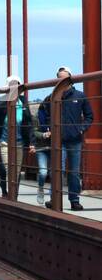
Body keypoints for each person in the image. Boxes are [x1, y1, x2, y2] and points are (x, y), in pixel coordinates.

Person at [40, 66, 94, 211]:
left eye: (64, 77)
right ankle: (54, 199)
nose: (61, 80)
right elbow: (42, 113)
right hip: (58, 141)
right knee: (57, 170)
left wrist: (81, 129)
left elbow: (89, 116)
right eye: (59, 77)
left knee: (74, 172)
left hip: (75, 140)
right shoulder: (51, 98)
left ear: (70, 79)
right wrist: (46, 128)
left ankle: (74, 200)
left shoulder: (80, 96)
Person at [0, 76, 33, 197]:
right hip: (4, 141)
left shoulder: (23, 101)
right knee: (9, 168)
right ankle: (7, 192)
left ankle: (13, 194)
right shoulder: (1, 101)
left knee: (17, 170)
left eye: (17, 85)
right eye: (12, 85)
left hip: (19, 142)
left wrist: (31, 142)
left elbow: (28, 122)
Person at [33, 92, 52, 206]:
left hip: (54, 148)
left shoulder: (59, 114)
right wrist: (44, 135)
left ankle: (52, 196)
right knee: (43, 172)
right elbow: (34, 131)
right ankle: (40, 189)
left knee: (55, 173)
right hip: (41, 147)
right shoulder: (37, 116)